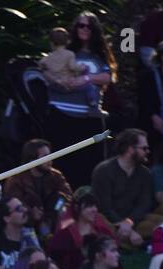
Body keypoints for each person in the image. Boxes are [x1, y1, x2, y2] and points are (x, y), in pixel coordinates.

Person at [46, 13, 115, 189]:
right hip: (62, 114)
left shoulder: (99, 55)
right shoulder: (65, 51)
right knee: (64, 163)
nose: (84, 30)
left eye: (88, 27)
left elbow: (107, 77)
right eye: (80, 26)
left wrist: (85, 79)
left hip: (88, 116)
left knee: (90, 165)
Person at [91, 129, 154, 250]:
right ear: (130, 149)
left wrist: (129, 223)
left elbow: (144, 204)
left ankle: (125, 241)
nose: (148, 152)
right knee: (101, 223)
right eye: (144, 148)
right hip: (110, 221)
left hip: (134, 221)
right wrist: (125, 228)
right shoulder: (103, 171)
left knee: (161, 223)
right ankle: (130, 241)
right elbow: (105, 207)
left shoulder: (145, 173)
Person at [48, 188, 117, 269]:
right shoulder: (65, 235)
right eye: (89, 206)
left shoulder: (101, 231)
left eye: (95, 206)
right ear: (77, 207)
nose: (94, 209)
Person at [0, 197, 41, 269]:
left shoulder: (29, 236)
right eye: (19, 209)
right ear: (7, 218)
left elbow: (42, 264)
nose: (25, 210)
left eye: (23, 206)